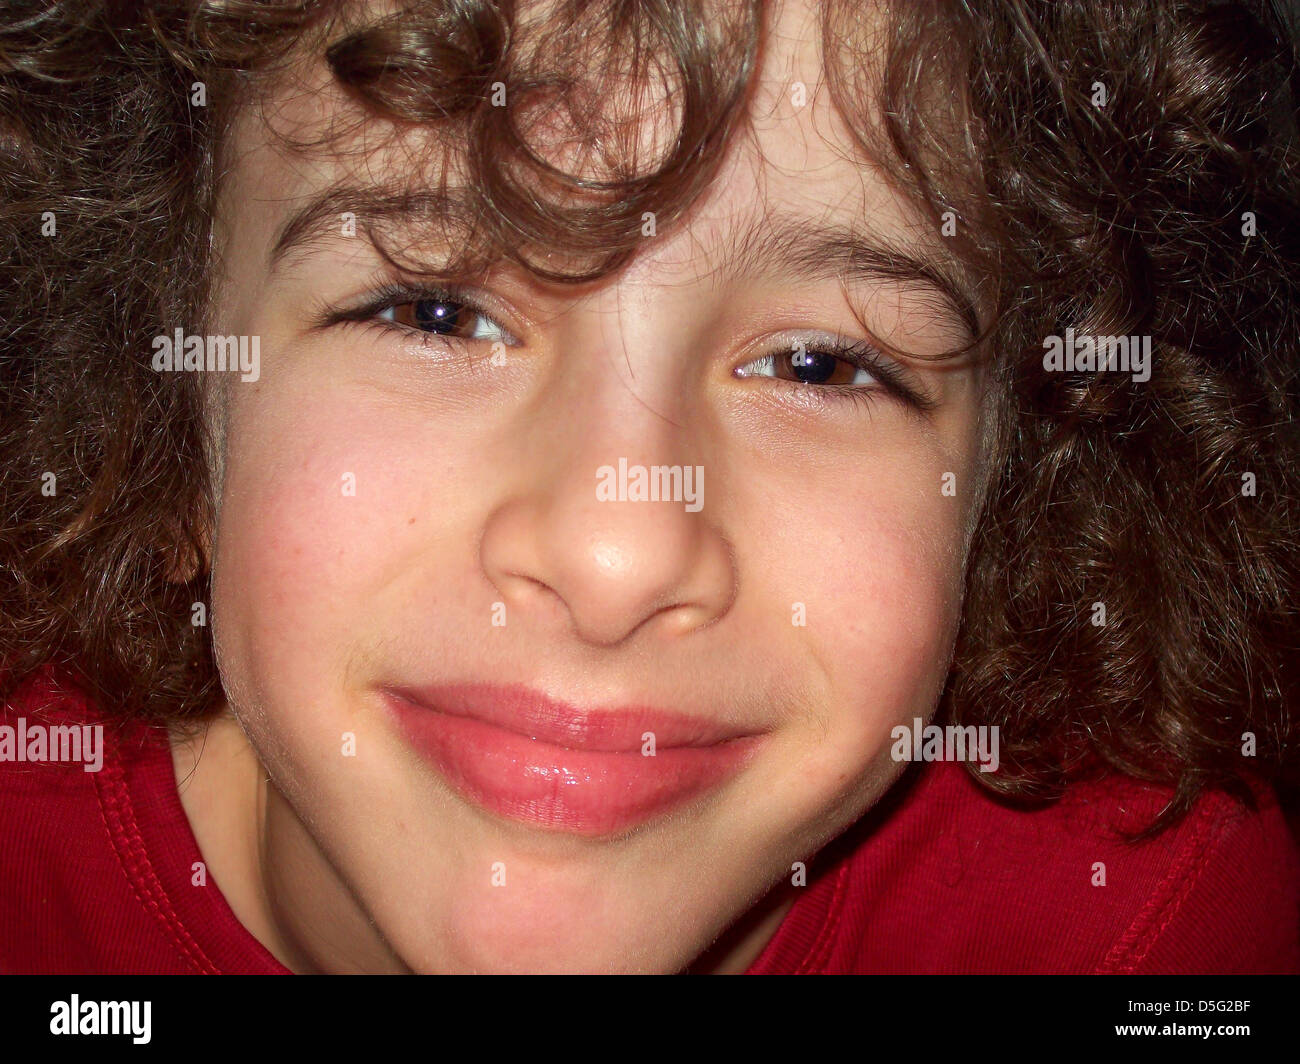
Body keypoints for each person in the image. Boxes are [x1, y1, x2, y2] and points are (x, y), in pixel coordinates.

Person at [1, 0, 1297, 974]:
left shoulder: (1143, 927)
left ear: (1013, 493)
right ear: (163, 421)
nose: (615, 556)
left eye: (820, 363)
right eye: (434, 311)